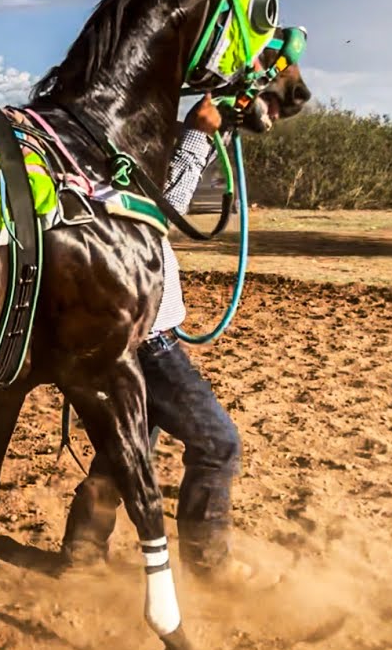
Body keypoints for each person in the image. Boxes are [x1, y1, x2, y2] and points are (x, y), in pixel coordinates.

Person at [61, 94, 259, 586]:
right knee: (217, 442)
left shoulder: (87, 160)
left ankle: (82, 551)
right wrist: (195, 136)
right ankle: (211, 567)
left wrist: (215, 130)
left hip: (134, 334)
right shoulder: (108, 172)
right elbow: (162, 205)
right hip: (147, 341)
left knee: (128, 449)